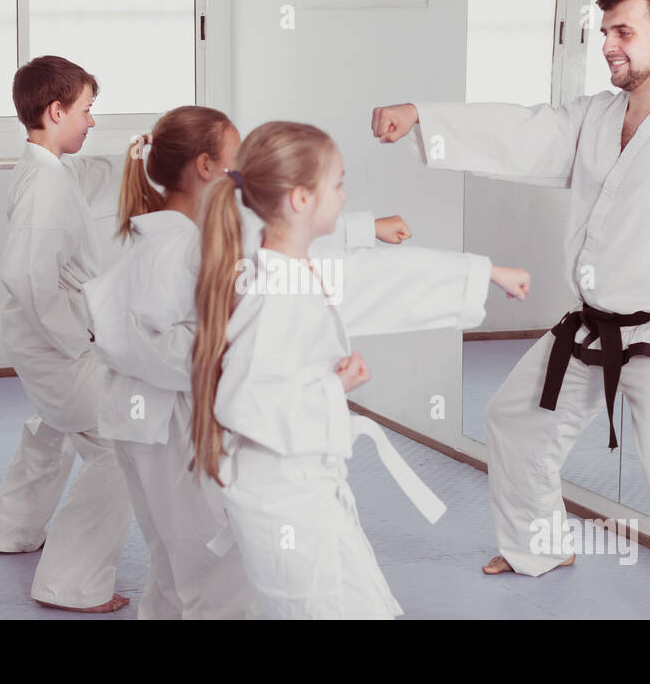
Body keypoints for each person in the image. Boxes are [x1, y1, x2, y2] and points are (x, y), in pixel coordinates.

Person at [372, 0, 650, 618]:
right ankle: (539, 546)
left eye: (623, 31)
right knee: (515, 420)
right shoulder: (598, 116)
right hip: (590, 327)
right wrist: (423, 119)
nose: (608, 44)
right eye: (604, 30)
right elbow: (522, 132)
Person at [190, 120, 530, 618]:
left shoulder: (291, 268)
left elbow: (382, 276)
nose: (345, 196)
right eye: (338, 184)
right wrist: (335, 386)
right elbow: (245, 404)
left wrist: (485, 273)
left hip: (303, 493)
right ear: (302, 200)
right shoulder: (275, 296)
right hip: (285, 499)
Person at [87, 105, 411, 618]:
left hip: (140, 425)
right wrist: (283, 373)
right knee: (211, 577)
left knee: (176, 569)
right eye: (237, 159)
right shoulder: (181, 246)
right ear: (206, 167)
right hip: (167, 429)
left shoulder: (166, 238)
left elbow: (271, 245)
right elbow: (158, 337)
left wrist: (364, 229)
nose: (246, 173)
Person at [0, 56, 131, 613]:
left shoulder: (47, 168)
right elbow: (25, 274)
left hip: (39, 344)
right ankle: (70, 582)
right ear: (56, 110)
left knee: (52, 425)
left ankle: (16, 528)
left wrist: (143, 157)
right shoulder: (45, 185)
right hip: (57, 347)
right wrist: (80, 339)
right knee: (120, 447)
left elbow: (93, 174)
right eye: (86, 110)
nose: (91, 121)